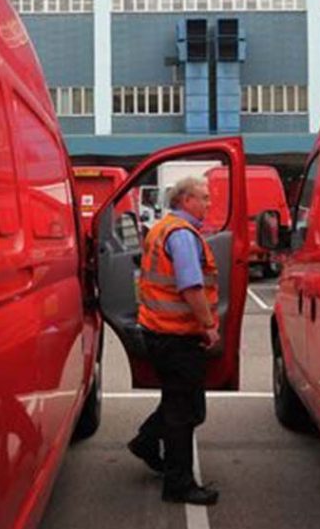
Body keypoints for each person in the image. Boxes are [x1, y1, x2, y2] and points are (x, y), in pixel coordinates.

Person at [127, 176, 222, 506]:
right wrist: (209, 325)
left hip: (160, 331)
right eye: (204, 198)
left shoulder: (163, 228)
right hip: (177, 337)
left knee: (180, 402)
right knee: (184, 412)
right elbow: (190, 287)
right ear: (185, 200)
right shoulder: (181, 235)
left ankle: (146, 442)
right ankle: (179, 485)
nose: (209, 204)